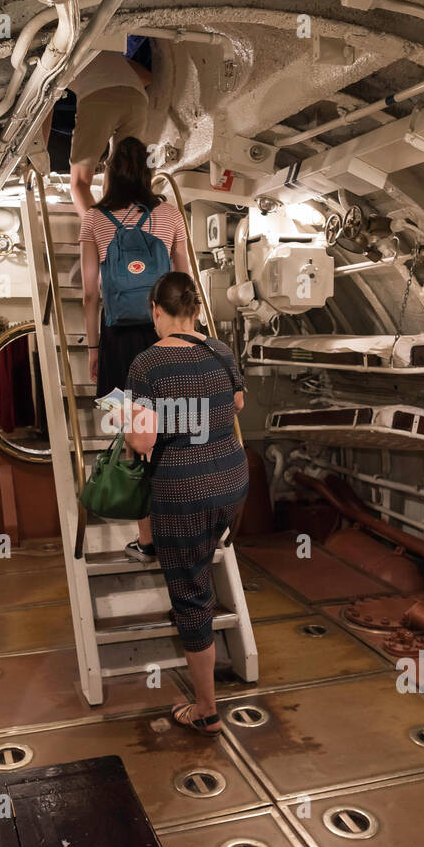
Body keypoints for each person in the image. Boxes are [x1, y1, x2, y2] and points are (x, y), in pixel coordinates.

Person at [122, 272, 249, 737]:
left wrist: (126, 419)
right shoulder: (220, 350)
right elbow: (235, 403)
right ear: (195, 310)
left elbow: (141, 439)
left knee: (192, 597)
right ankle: (176, 557)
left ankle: (206, 711)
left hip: (184, 491)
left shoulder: (147, 364)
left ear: (157, 309)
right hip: (231, 481)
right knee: (200, 565)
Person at [79, 136, 190, 563]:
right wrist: (189, 339)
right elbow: (183, 284)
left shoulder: (95, 219)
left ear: (110, 170)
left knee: (136, 435)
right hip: (166, 336)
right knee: (178, 427)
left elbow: (91, 293)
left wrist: (93, 346)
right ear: (148, 170)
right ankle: (181, 524)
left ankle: (148, 541)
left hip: (120, 340)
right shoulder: (168, 214)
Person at [64, 50, 150, 217]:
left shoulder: (61, 49)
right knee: (121, 180)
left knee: (79, 182)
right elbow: (147, 77)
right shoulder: (108, 48)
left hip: (97, 95)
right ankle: (118, 230)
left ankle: (101, 237)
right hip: (137, 97)